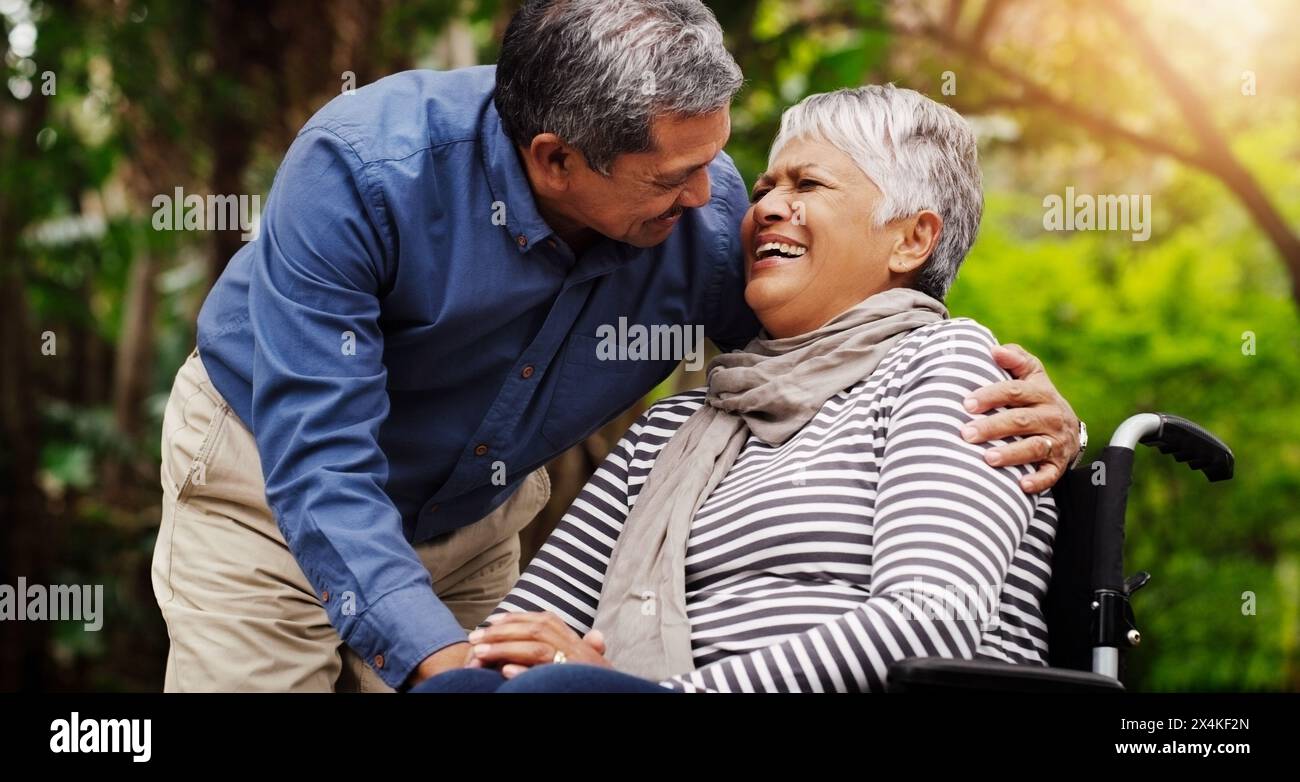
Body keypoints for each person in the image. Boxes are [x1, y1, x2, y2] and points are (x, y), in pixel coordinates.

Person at [154, 0, 1080, 693]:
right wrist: (458, 670)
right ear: (556, 158)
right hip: (270, 491)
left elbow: (850, 333)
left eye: (725, 169)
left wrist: (1044, 409)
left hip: (474, 512)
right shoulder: (366, 172)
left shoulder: (723, 230)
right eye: (678, 178)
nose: (725, 205)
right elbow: (321, 463)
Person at [414, 85, 1059, 694]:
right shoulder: (678, 424)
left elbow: (932, 618)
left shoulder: (948, 368)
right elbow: (525, 624)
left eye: (809, 184)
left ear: (912, 238)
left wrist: (656, 694)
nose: (769, 207)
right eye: (765, 187)